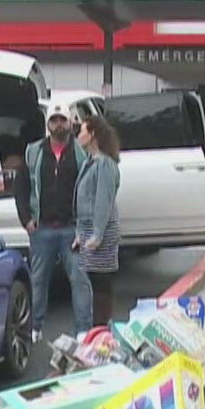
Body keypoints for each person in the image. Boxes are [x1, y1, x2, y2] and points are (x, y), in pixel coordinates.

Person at [16, 99, 93, 335]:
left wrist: (85, 227)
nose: (58, 124)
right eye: (54, 120)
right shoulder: (33, 152)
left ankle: (83, 331)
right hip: (42, 229)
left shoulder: (83, 154)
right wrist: (26, 220)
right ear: (48, 124)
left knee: (79, 281)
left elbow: (91, 191)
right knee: (38, 281)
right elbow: (21, 188)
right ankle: (34, 327)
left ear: (71, 123)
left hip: (73, 229)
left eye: (63, 120)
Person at [73, 114, 122, 327]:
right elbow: (82, 198)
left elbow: (103, 201)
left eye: (82, 131)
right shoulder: (89, 162)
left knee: (101, 284)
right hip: (87, 228)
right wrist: (79, 233)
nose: (79, 135)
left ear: (92, 135)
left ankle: (102, 328)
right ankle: (98, 328)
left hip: (100, 229)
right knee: (92, 282)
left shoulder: (105, 165)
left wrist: (97, 234)